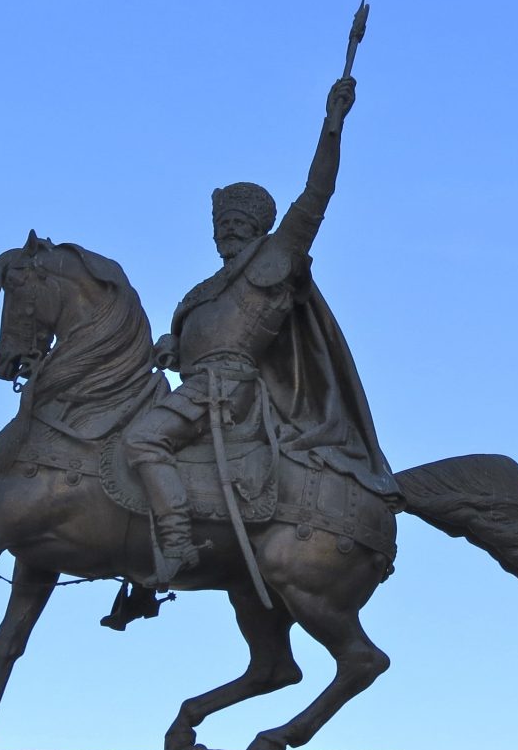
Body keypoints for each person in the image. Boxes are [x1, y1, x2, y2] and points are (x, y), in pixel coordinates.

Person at [123, 76, 400, 584]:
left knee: (143, 441)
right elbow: (195, 340)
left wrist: (332, 125)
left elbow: (317, 194)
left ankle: (178, 545)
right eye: (222, 222)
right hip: (195, 385)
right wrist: (171, 345)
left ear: (258, 226)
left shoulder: (277, 255)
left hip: (229, 389)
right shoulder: (204, 290)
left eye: (238, 221)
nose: (228, 228)